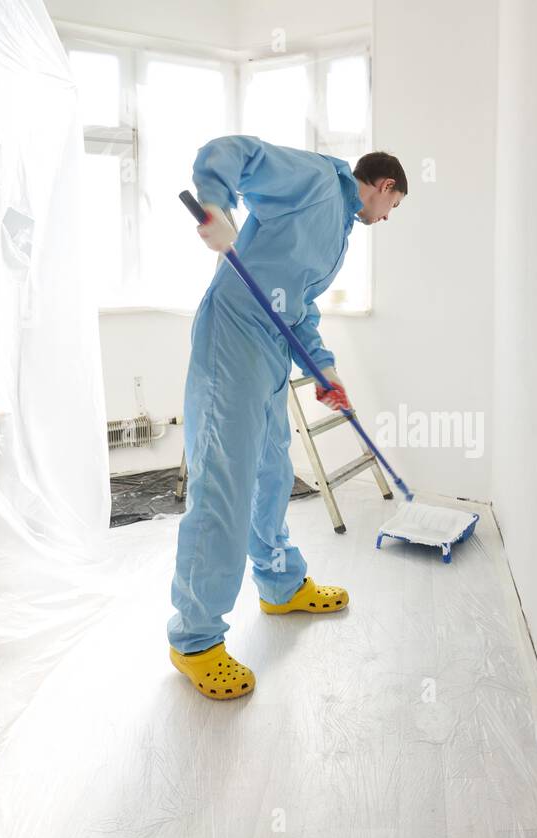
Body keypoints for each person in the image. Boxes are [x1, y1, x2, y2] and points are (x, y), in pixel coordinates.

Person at [167, 135, 407, 700]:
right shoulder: (319, 181)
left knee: (273, 472)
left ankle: (280, 583)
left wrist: (325, 372)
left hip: (269, 350)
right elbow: (233, 152)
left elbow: (296, 309)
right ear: (384, 186)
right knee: (224, 484)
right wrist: (217, 207)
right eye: (393, 206)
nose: (388, 216)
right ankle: (195, 640)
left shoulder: (339, 232)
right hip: (234, 337)